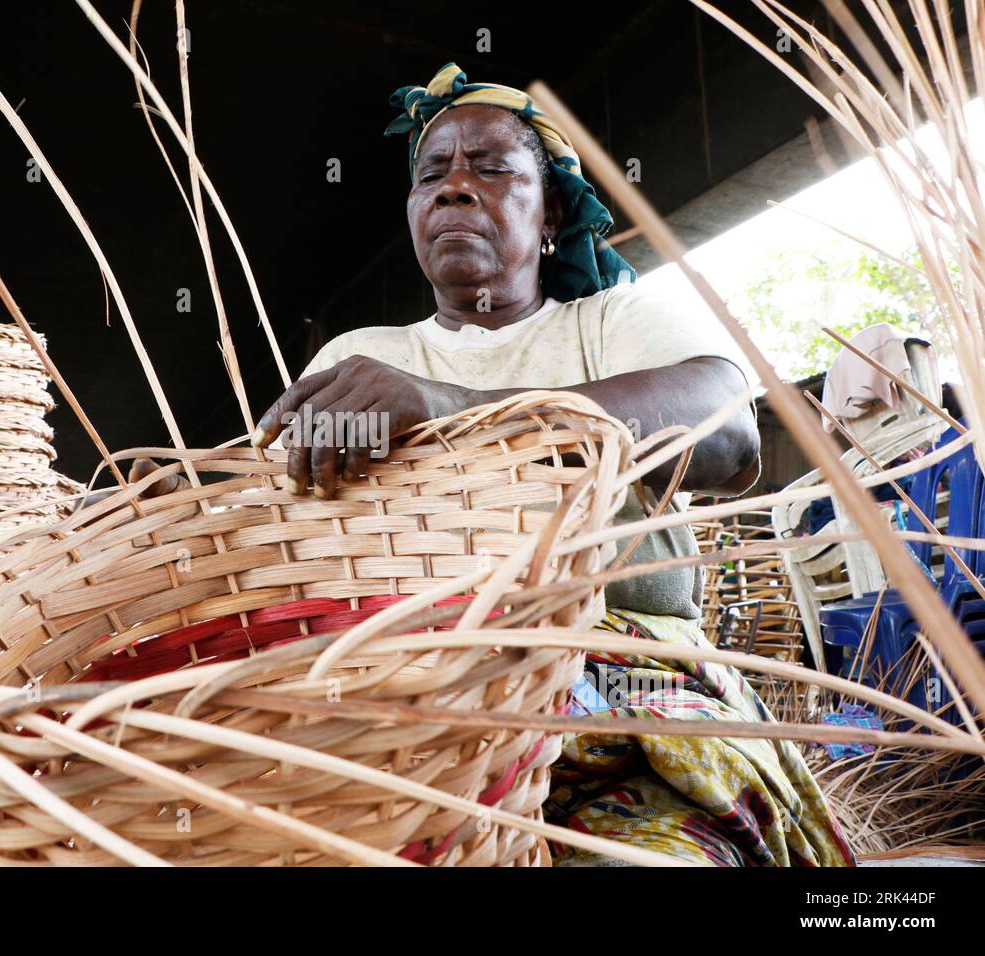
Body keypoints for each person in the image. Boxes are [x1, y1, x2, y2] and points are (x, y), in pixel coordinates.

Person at [139, 63, 854, 866]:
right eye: (431, 174)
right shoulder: (362, 357)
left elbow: (729, 433)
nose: (453, 188)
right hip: (410, 700)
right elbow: (294, 537)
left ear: (550, 209)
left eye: (490, 167)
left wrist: (445, 405)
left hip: (623, 684)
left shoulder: (613, 319)